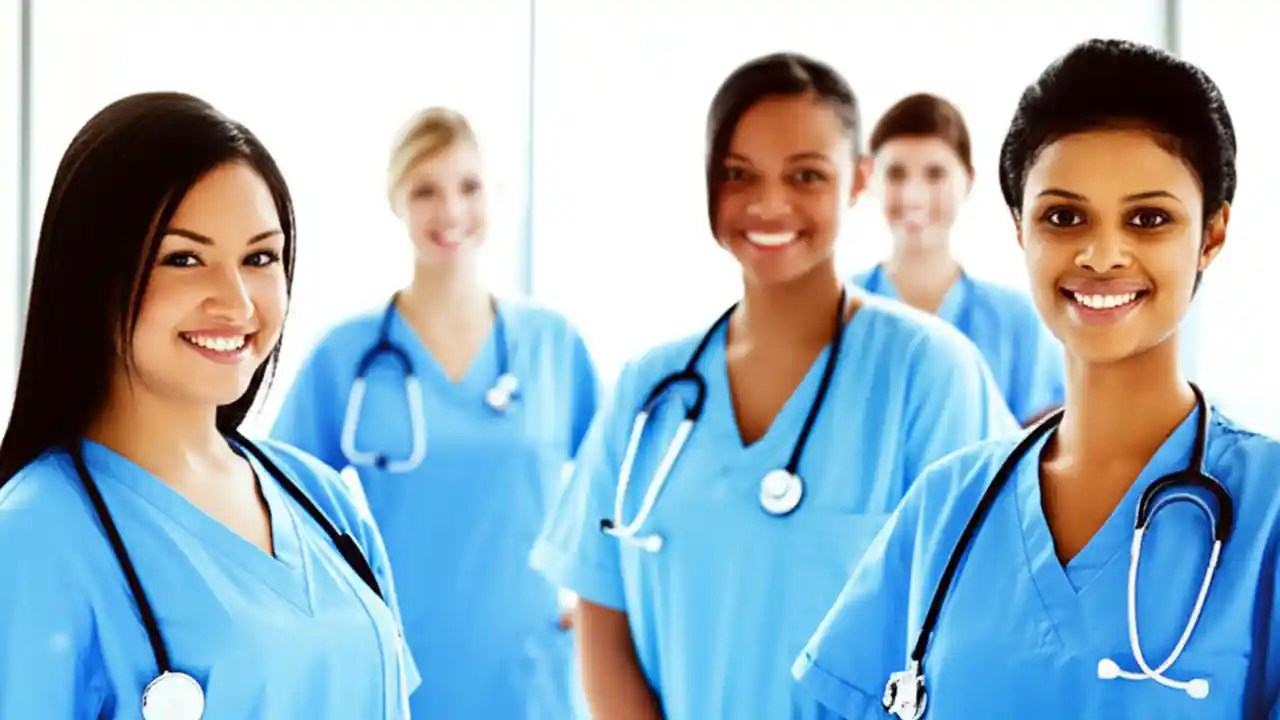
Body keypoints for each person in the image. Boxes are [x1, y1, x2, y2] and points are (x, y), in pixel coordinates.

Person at [794, 39, 1280, 719]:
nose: (1102, 254)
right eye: (1063, 216)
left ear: (1212, 234)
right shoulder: (948, 507)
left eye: (1148, 219)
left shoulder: (1269, 512)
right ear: (1020, 229)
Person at [530, 52, 1016, 720]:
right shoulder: (651, 389)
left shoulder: (930, 373)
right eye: (738, 174)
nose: (768, 203)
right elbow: (601, 618)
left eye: (806, 175)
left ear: (857, 182)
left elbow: (981, 627)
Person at [0, 92, 418, 718]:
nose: (239, 303)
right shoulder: (34, 537)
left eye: (259, 258)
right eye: (185, 259)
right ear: (94, 274)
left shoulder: (325, 504)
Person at [268, 106, 600, 719]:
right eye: (426, 190)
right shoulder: (349, 356)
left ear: (493, 194)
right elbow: (277, 508)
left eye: (468, 187)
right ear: (396, 200)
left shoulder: (552, 344)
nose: (450, 211)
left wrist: (607, 594)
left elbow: (619, 491)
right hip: (402, 660)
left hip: (529, 667)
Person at [850, 93, 1065, 425]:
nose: (914, 195)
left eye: (935, 174)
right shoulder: (837, 314)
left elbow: (1042, 452)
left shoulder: (1017, 321)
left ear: (967, 181)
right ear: (869, 180)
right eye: (895, 174)